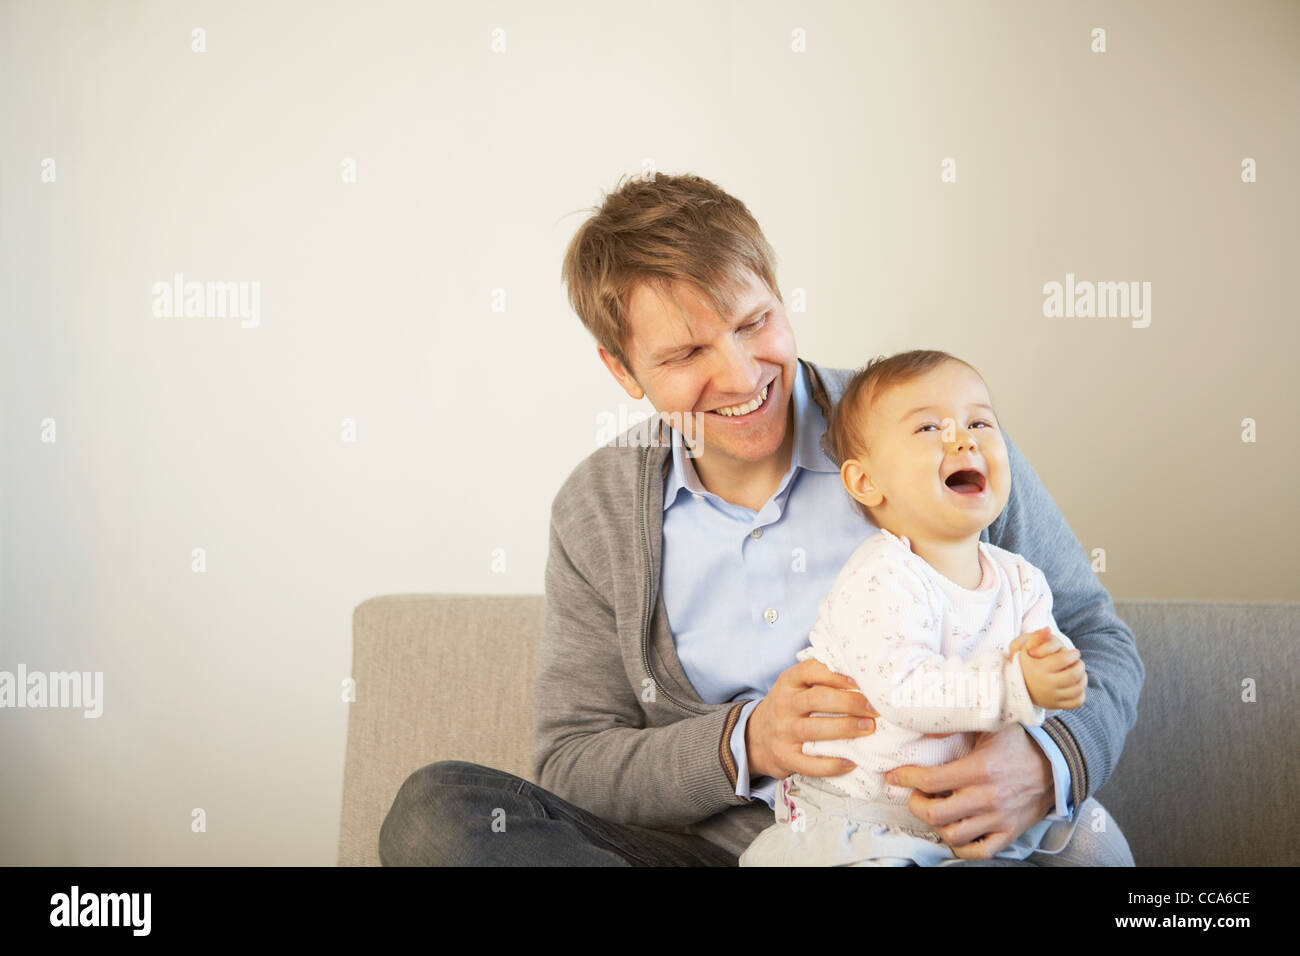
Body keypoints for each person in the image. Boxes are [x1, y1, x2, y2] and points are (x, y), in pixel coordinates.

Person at [378, 172, 1143, 866]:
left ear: (779, 295)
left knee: (1088, 850)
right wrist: (743, 742)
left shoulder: (929, 430)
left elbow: (1095, 635)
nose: (742, 376)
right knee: (436, 814)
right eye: (686, 353)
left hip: (923, 842)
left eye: (753, 324)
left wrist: (1051, 762)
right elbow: (575, 761)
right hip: (714, 853)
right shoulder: (599, 507)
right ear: (622, 370)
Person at [739, 351, 1090, 866]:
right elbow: (905, 691)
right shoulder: (880, 576)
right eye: (929, 428)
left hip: (965, 821)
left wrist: (1058, 678)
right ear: (865, 482)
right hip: (856, 822)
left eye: (978, 422)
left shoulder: (1022, 580)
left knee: (1097, 848)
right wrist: (1018, 686)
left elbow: (1041, 687)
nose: (962, 439)